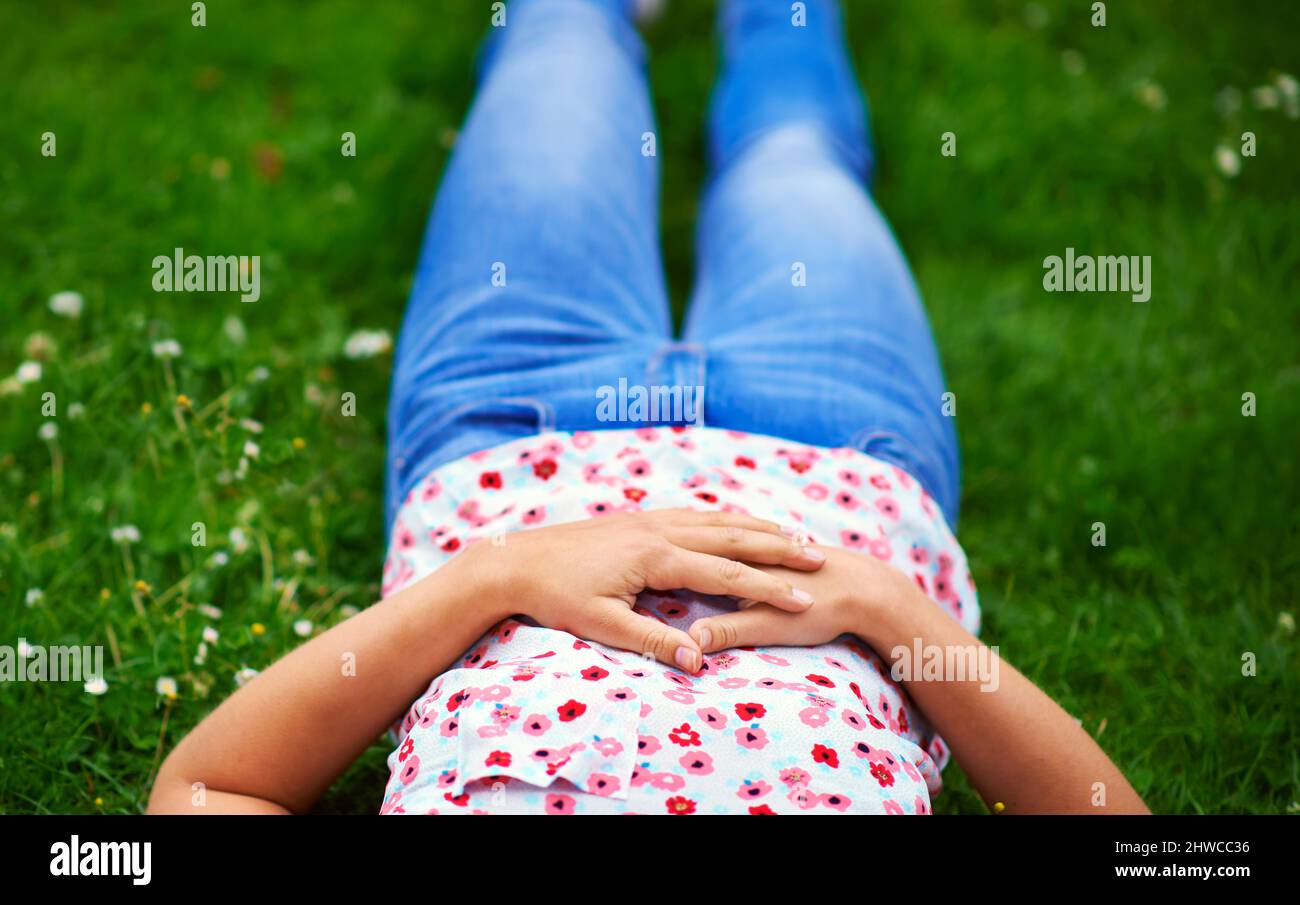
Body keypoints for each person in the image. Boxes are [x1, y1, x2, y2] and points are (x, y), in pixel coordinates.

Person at [149, 0, 1148, 815]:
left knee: (556, 51)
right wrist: (884, 607)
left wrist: (503, 573)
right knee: (791, 150)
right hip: (837, 447)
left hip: (511, 425)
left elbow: (205, 790)